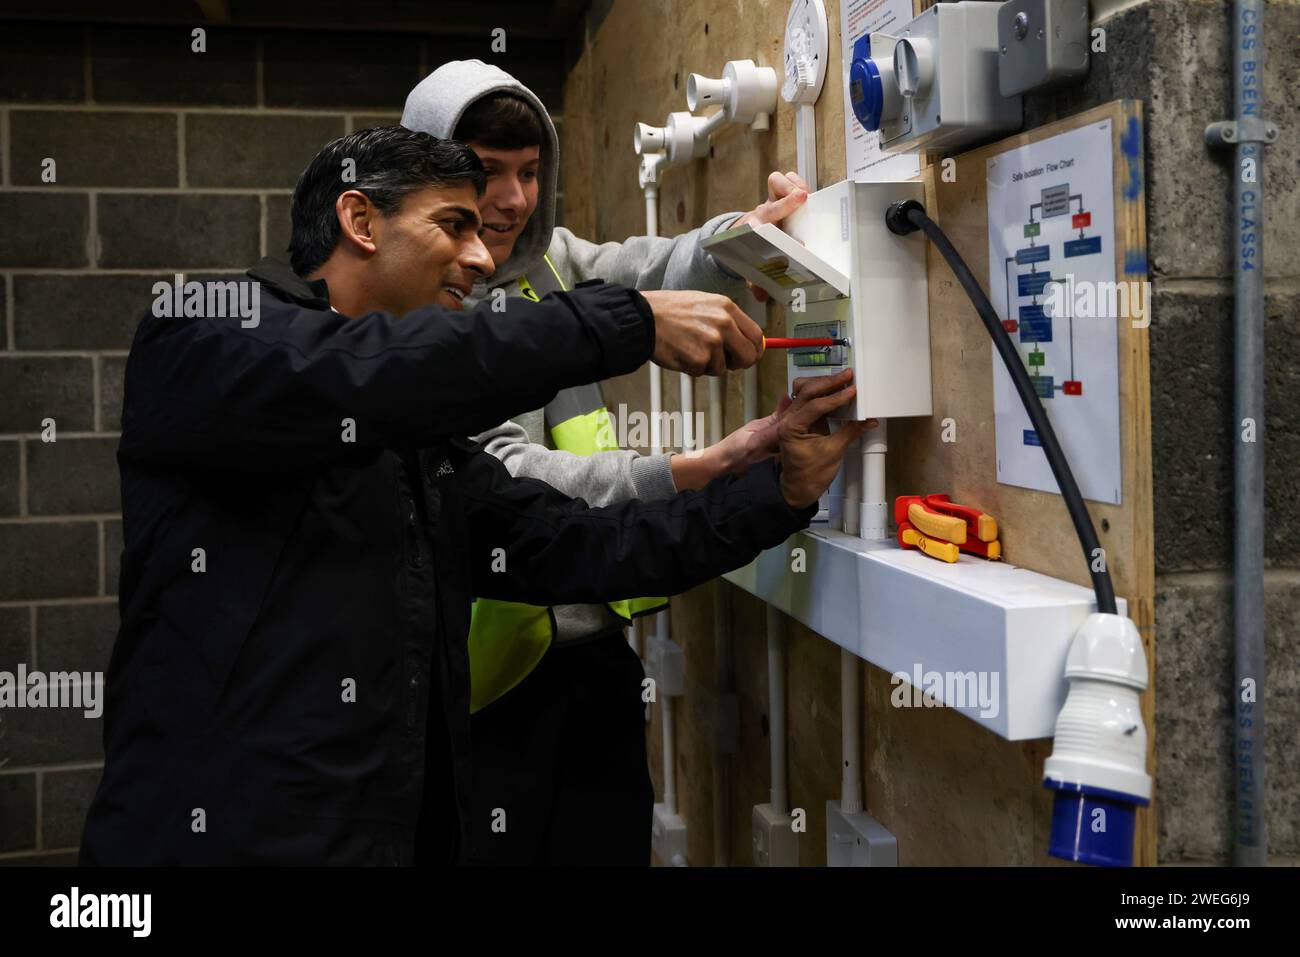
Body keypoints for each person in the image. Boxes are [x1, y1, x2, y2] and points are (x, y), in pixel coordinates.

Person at [78, 126, 867, 866]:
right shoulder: (207, 338)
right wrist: (626, 320)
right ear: (359, 217)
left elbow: (579, 543)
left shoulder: (421, 452)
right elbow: (379, 369)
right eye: (453, 225)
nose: (482, 257)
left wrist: (777, 488)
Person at [401, 60, 818, 865]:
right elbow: (509, 481)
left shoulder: (552, 259)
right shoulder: (431, 310)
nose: (514, 199)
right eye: (487, 174)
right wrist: (687, 469)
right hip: (486, 686)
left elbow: (651, 269)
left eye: (528, 173)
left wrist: (742, 239)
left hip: (595, 651)